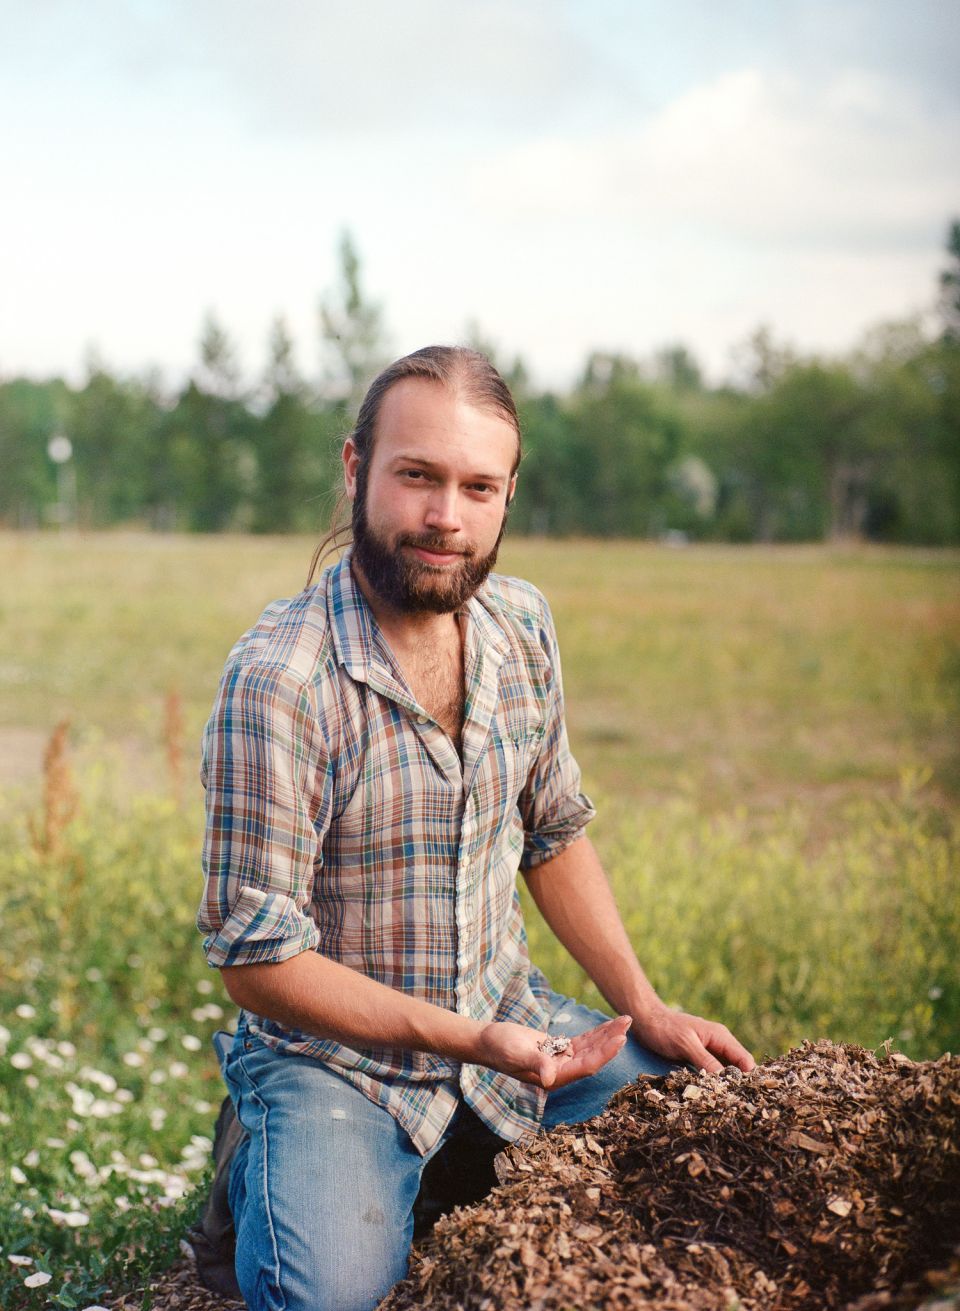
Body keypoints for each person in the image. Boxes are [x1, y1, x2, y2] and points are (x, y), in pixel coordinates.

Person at [191, 345, 755, 1311]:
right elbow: (256, 961)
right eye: (418, 476)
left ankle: (454, 1160)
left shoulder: (523, 626)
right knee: (322, 1294)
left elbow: (554, 831)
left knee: (712, 1135)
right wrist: (470, 1039)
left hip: (514, 1028)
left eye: (478, 486)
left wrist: (646, 1006)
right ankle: (259, 1163)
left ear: (506, 494)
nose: (446, 517)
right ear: (356, 468)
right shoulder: (280, 680)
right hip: (337, 1066)